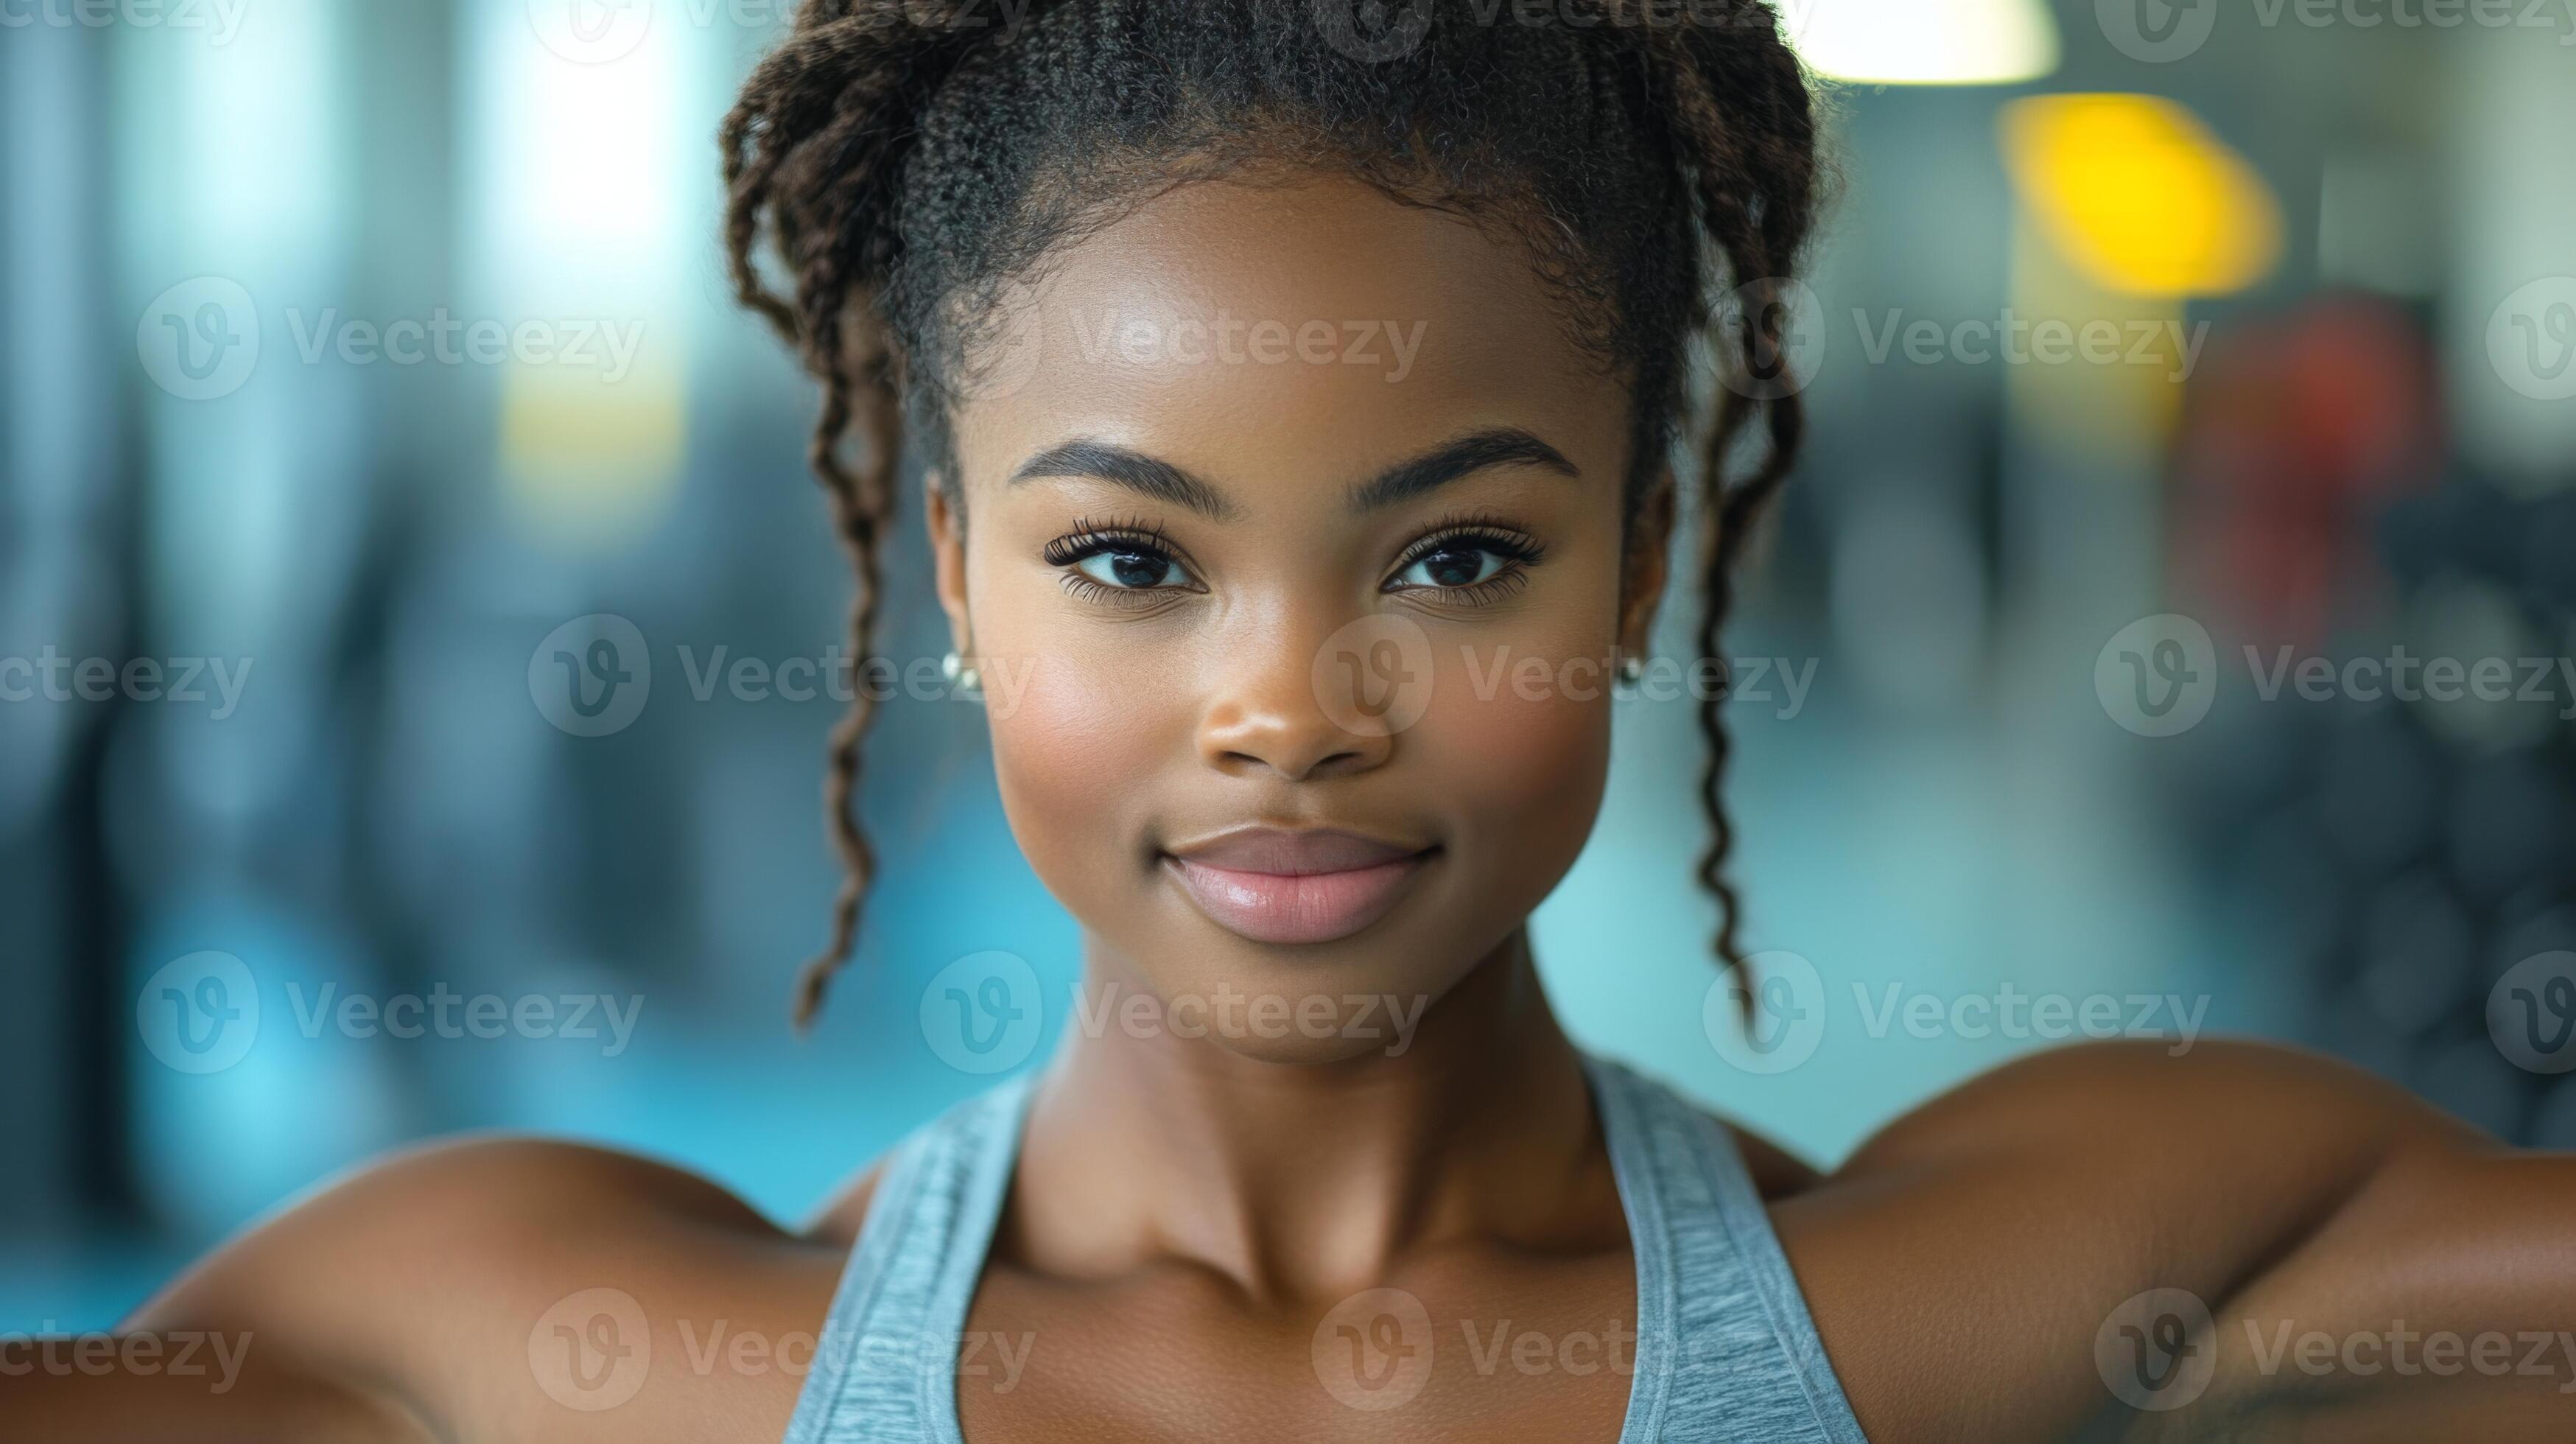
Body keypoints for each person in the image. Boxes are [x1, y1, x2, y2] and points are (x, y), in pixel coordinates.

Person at [12, 1, 2570, 1440]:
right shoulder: (520, 1353)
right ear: (954, 579)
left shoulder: (2018, 1297)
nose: (1285, 712)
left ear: (1640, 566)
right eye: (1132, 563)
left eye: (1454, 559)